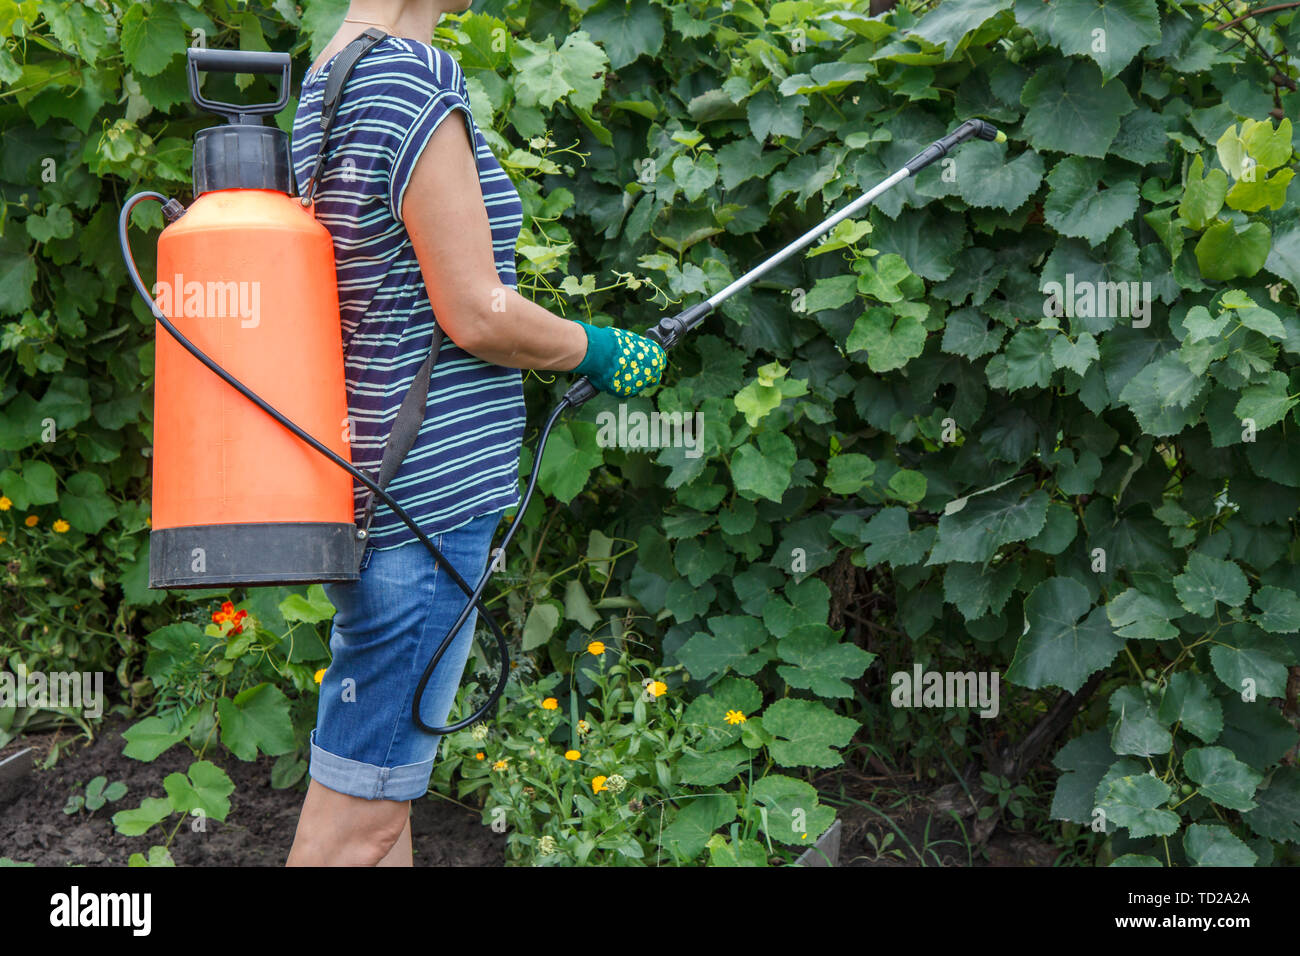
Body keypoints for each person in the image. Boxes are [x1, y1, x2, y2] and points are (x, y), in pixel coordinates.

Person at [284, 0, 666, 866]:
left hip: (373, 485)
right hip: (421, 502)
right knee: (358, 821)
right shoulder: (409, 78)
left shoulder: (331, 74)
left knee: (386, 797)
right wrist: (598, 349)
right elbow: (476, 312)